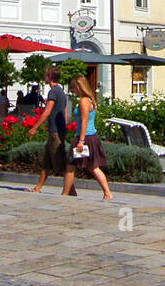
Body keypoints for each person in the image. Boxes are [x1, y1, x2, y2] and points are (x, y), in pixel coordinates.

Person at [27, 67, 76, 196]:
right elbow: (65, 112)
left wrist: (35, 127)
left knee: (60, 163)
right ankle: (38, 187)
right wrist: (64, 128)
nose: (44, 77)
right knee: (47, 162)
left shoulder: (53, 92)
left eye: (45, 75)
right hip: (58, 130)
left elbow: (47, 111)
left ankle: (69, 191)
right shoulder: (61, 91)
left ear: (49, 76)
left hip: (55, 131)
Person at [67, 75, 113, 200]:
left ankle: (66, 193)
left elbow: (84, 121)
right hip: (91, 136)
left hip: (85, 137)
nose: (72, 90)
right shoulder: (91, 100)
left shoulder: (84, 101)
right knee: (91, 166)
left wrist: (81, 141)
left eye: (73, 88)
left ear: (79, 87)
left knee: (71, 165)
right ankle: (107, 193)